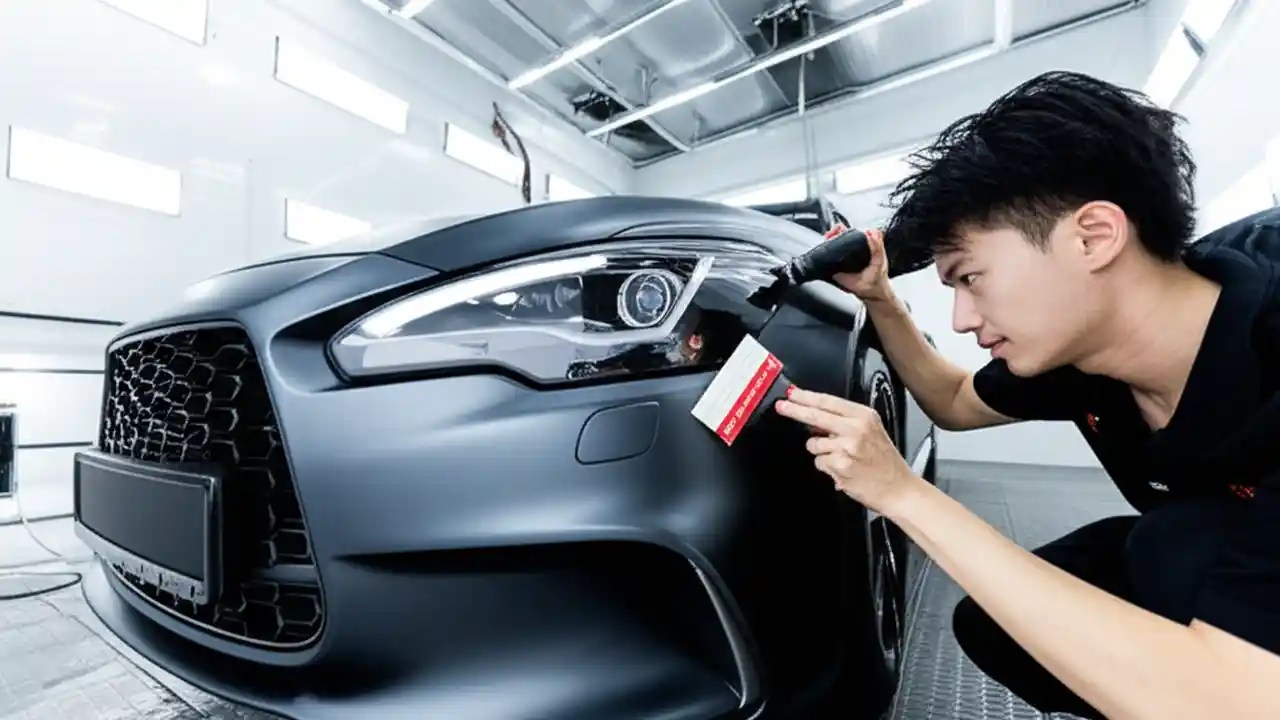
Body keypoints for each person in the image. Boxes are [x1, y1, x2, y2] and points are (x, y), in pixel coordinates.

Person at [773, 70, 1280, 719]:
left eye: (972, 277)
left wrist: (903, 494)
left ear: (1093, 237)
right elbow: (954, 401)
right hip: (1226, 547)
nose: (959, 318)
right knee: (1016, 616)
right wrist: (879, 297)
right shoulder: (1082, 354)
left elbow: (1238, 705)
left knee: (1178, 555)